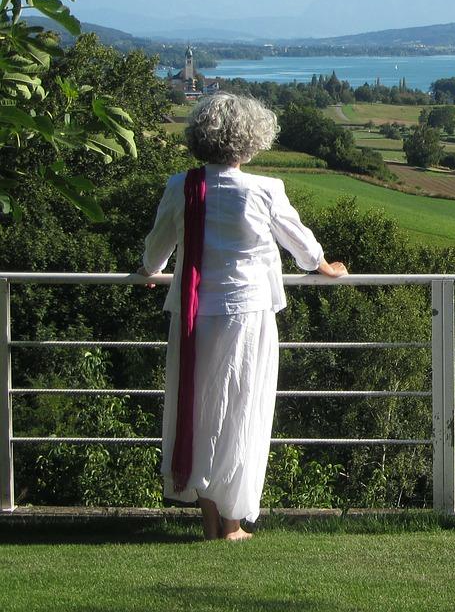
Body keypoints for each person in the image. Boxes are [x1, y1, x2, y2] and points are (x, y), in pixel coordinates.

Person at [140, 92, 347, 540]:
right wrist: (325, 267)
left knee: (200, 412)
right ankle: (231, 525)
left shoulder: (182, 186)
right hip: (247, 315)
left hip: (194, 317)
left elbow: (156, 250)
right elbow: (303, 247)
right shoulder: (264, 190)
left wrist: (151, 271)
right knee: (241, 412)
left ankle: (212, 520)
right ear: (251, 140)